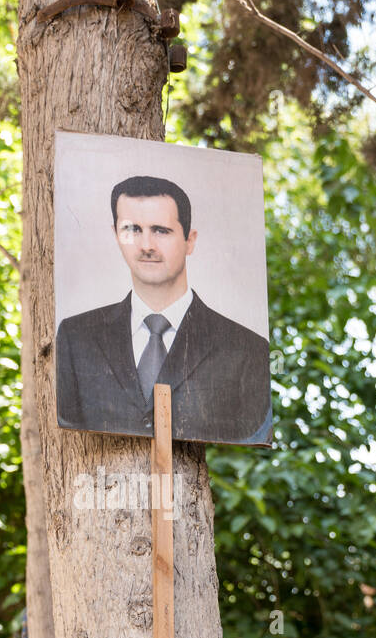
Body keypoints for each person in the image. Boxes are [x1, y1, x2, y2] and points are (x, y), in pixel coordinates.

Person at [56, 174, 272, 443]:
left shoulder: (247, 348)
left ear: (189, 240)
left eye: (161, 230)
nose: (146, 245)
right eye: (132, 230)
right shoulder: (76, 337)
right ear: (115, 235)